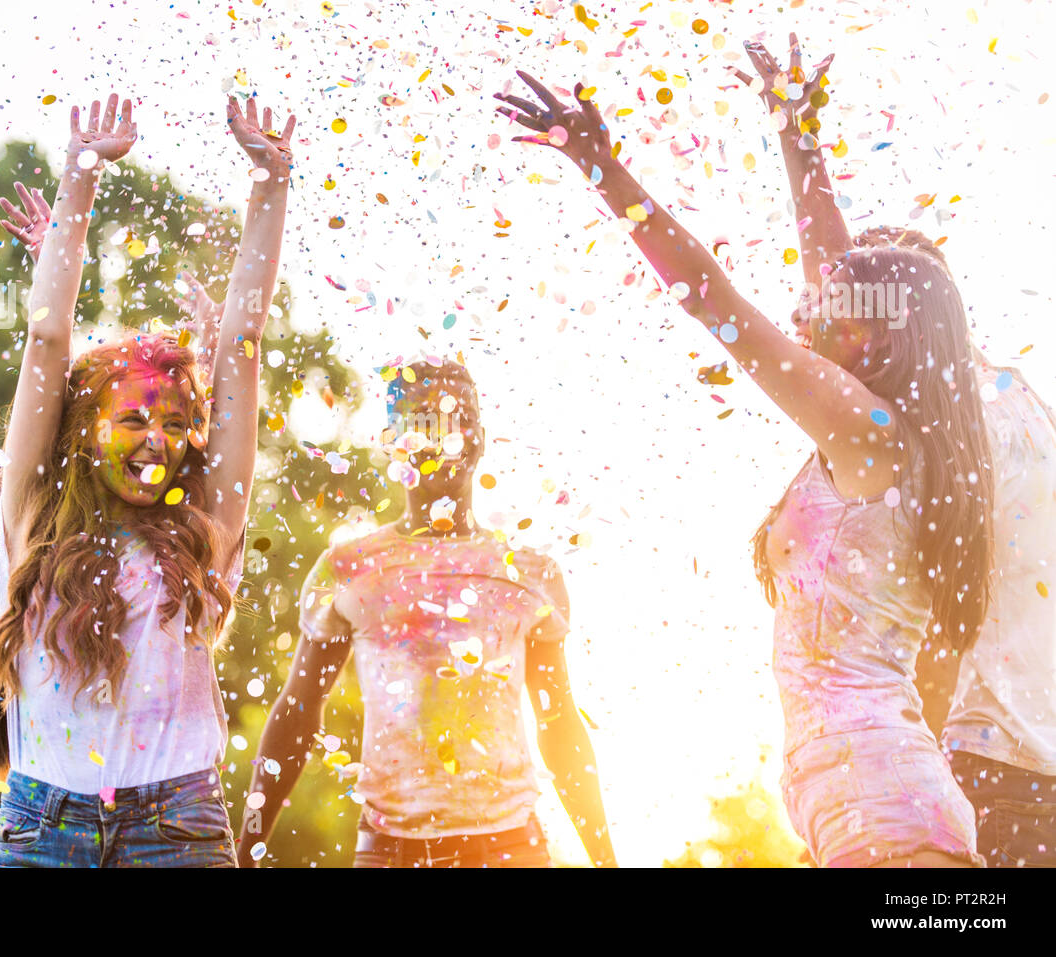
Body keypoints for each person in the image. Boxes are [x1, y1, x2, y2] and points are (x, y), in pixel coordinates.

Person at [497, 69, 991, 867]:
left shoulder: (870, 432)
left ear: (876, 336)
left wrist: (601, 165)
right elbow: (832, 269)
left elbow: (710, 296)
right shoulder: (882, 434)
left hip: (879, 799)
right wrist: (797, 132)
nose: (808, 308)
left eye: (836, 306)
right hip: (861, 793)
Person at [0, 92, 295, 866]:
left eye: (173, 423)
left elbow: (242, 344)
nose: (157, 440)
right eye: (133, 419)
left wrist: (271, 182)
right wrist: (81, 174)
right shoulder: (31, 515)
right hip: (41, 830)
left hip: (179, 830)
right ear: (84, 430)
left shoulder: (206, 531)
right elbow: (46, 335)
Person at [735, 36, 1056, 867]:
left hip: (975, 769)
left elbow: (830, 272)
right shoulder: (1021, 404)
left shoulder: (935, 437)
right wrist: (796, 136)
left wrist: (796, 139)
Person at [237, 358, 616, 867]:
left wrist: (606, 860)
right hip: (390, 851)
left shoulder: (529, 571)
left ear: (479, 438)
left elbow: (559, 723)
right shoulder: (349, 569)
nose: (441, 439)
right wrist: (244, 850)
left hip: (511, 850)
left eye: (456, 420)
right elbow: (298, 713)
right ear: (393, 441)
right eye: (421, 424)